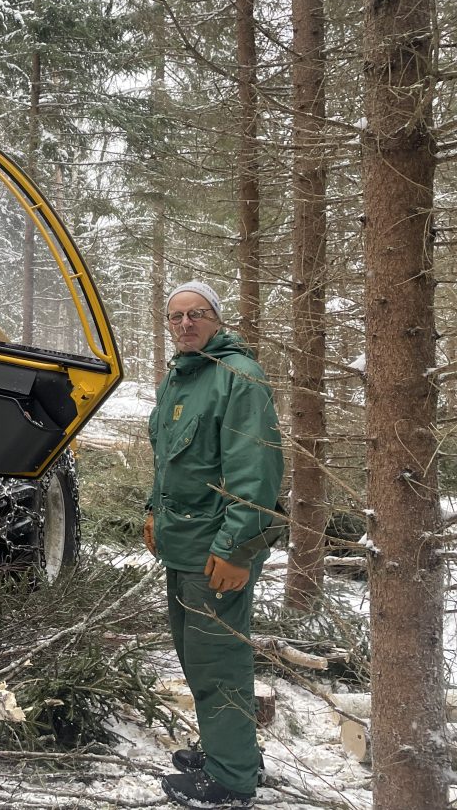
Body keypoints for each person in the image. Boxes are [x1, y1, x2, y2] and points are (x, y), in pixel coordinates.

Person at [145, 281, 283, 810]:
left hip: (214, 553)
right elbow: (169, 460)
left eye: (196, 314)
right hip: (181, 548)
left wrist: (237, 547)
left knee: (219, 662)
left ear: (216, 320)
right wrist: (152, 512)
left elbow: (257, 473)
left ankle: (231, 781)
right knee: (198, 659)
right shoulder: (180, 379)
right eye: (176, 316)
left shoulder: (238, 379)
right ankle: (232, 751)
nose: (185, 324)